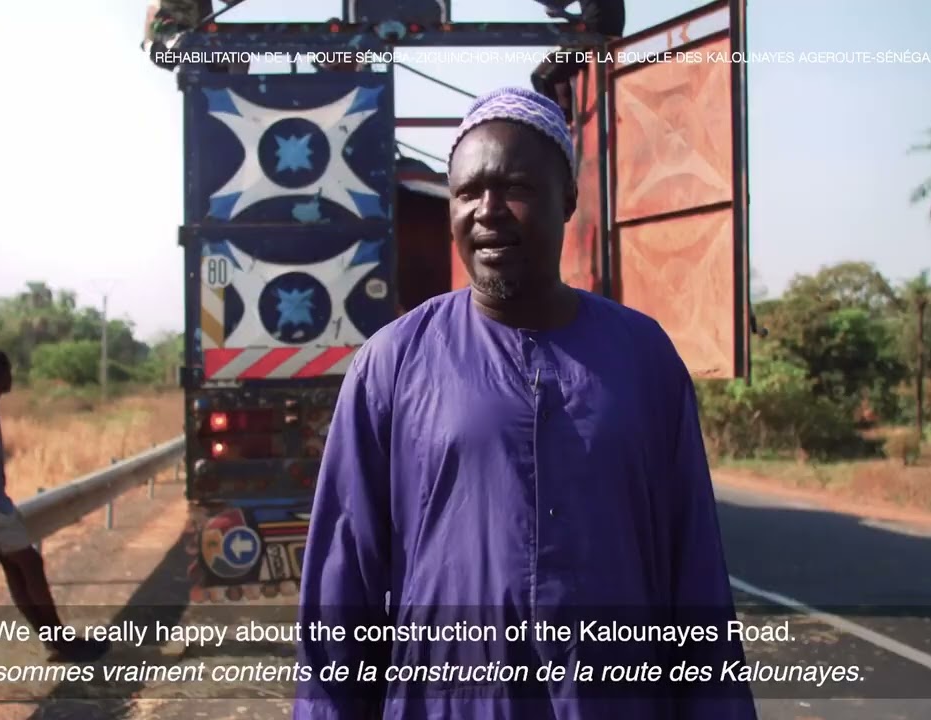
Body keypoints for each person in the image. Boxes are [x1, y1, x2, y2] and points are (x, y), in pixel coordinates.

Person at [293, 88, 757, 718]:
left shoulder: (643, 359)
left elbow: (695, 573)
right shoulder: (392, 364)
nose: (487, 212)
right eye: (466, 193)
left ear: (567, 197)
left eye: (513, 187)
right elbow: (341, 591)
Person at [0, 349, 110, 664]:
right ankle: (62, 642)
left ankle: (55, 642)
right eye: (8, 372)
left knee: (18, 570)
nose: (12, 378)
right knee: (31, 566)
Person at [530, 0, 626, 121]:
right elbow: (597, 15)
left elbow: (557, 3)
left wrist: (558, 10)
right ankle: (567, 120)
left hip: (596, 42)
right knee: (559, 80)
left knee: (540, 77)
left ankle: (557, 125)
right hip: (600, 39)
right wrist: (564, 14)